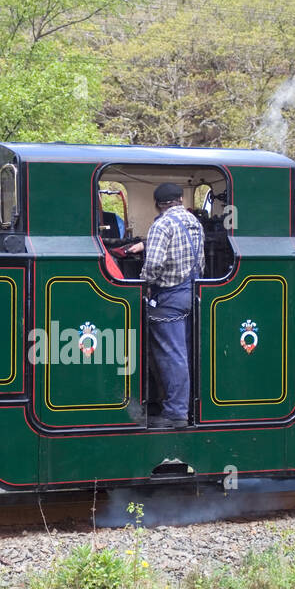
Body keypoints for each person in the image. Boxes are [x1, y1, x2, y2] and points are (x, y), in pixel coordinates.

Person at [123, 182, 204, 429]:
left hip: (168, 296)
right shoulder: (194, 223)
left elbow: (155, 265)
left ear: (158, 203)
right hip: (191, 292)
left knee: (170, 356)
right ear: (180, 199)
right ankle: (184, 406)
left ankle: (175, 412)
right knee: (185, 354)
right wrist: (146, 244)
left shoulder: (162, 224)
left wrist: (141, 285)